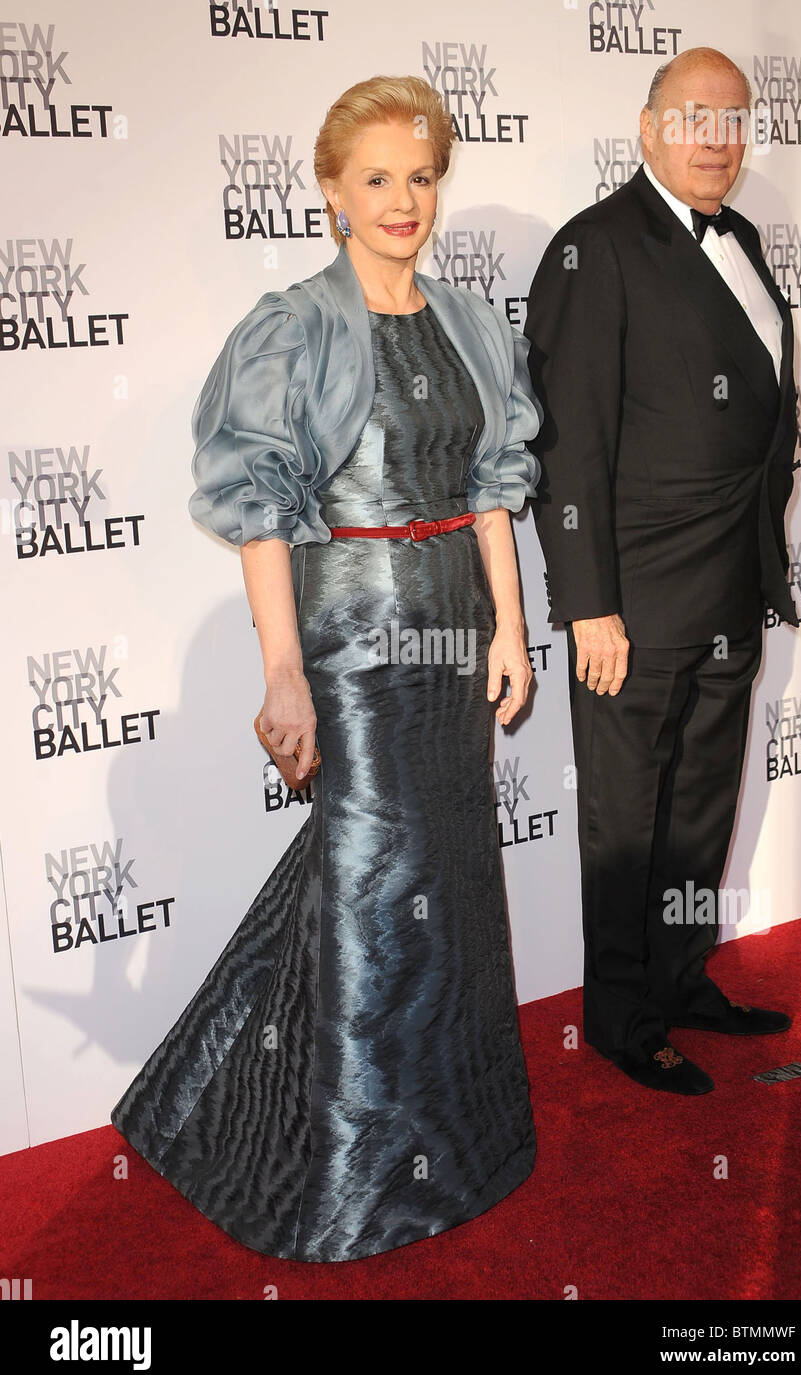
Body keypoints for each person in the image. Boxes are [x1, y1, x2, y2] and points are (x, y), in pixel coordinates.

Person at [110, 75, 541, 1260]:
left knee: (442, 880)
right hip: (354, 641)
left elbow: (491, 492)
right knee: (368, 883)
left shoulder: (467, 320)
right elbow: (260, 512)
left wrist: (508, 629)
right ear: (331, 193)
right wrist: (285, 675)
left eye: (420, 175)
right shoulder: (295, 326)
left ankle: (456, 1139)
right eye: (375, 180)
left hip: (453, 629)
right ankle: (352, 1180)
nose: (403, 200)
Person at [524, 47, 797, 1096]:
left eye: (731, 120)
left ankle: (680, 976)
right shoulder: (594, 250)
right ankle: (622, 1017)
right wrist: (587, 605)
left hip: (729, 584)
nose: (715, 139)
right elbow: (567, 446)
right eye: (692, 118)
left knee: (696, 807)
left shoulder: (744, 242)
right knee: (625, 818)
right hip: (630, 599)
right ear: (646, 130)